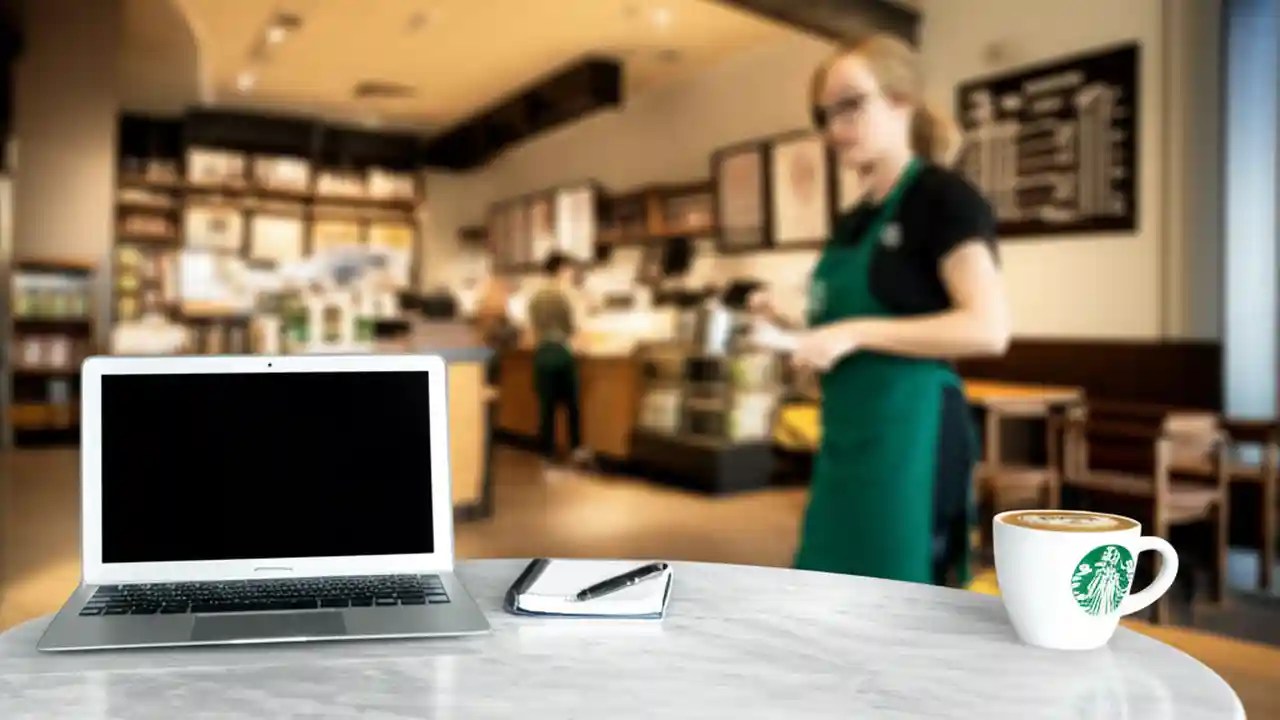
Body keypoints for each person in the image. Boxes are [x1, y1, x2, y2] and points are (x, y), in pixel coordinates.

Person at [749, 34, 1011, 587]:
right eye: (824, 114)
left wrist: (852, 332)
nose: (834, 127)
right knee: (826, 593)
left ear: (901, 101)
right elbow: (850, 328)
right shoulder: (854, 218)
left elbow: (988, 328)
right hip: (846, 439)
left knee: (902, 609)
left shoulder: (943, 200)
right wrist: (790, 325)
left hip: (910, 440)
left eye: (850, 104)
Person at [527, 253, 591, 467]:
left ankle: (547, 454)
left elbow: (531, 327)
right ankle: (576, 449)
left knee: (546, 407)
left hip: (542, 353)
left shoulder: (535, 296)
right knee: (571, 405)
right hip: (562, 353)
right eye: (569, 269)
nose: (571, 273)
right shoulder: (567, 294)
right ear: (562, 270)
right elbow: (575, 327)